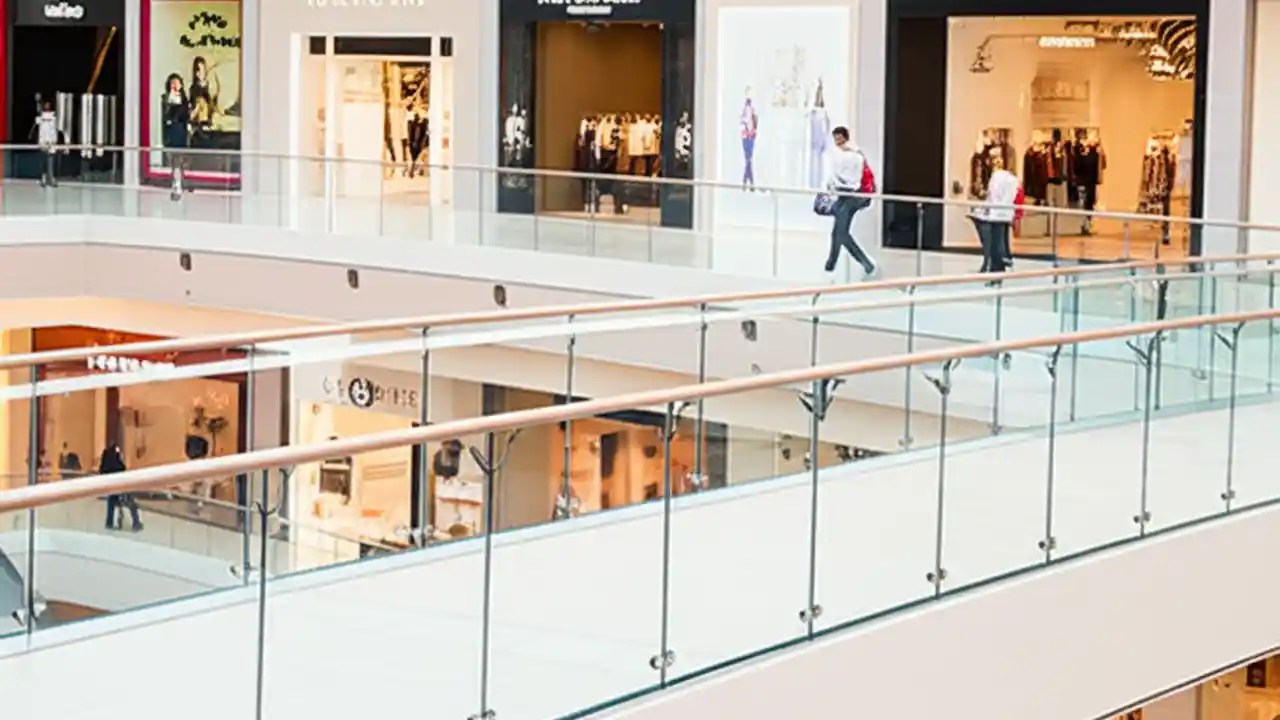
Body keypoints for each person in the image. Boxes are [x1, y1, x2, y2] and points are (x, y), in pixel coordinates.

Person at [824, 126, 877, 278]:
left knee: (841, 232)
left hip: (853, 196)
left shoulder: (853, 155)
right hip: (845, 195)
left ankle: (866, 264)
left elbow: (851, 179)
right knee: (838, 232)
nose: (838, 142)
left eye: (840, 139)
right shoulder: (845, 154)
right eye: (836, 139)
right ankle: (830, 265)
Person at [970, 162, 1022, 276]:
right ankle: (1000, 265)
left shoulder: (998, 178)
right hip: (1004, 214)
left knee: (996, 244)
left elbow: (993, 196)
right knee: (1000, 241)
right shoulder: (1013, 181)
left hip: (997, 214)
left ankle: (996, 269)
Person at [101, 444, 143, 532]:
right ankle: (135, 522)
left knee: (111, 504)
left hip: (111, 485)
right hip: (120, 485)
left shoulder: (106, 459)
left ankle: (110, 522)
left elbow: (103, 470)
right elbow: (121, 468)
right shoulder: (115, 460)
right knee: (130, 503)